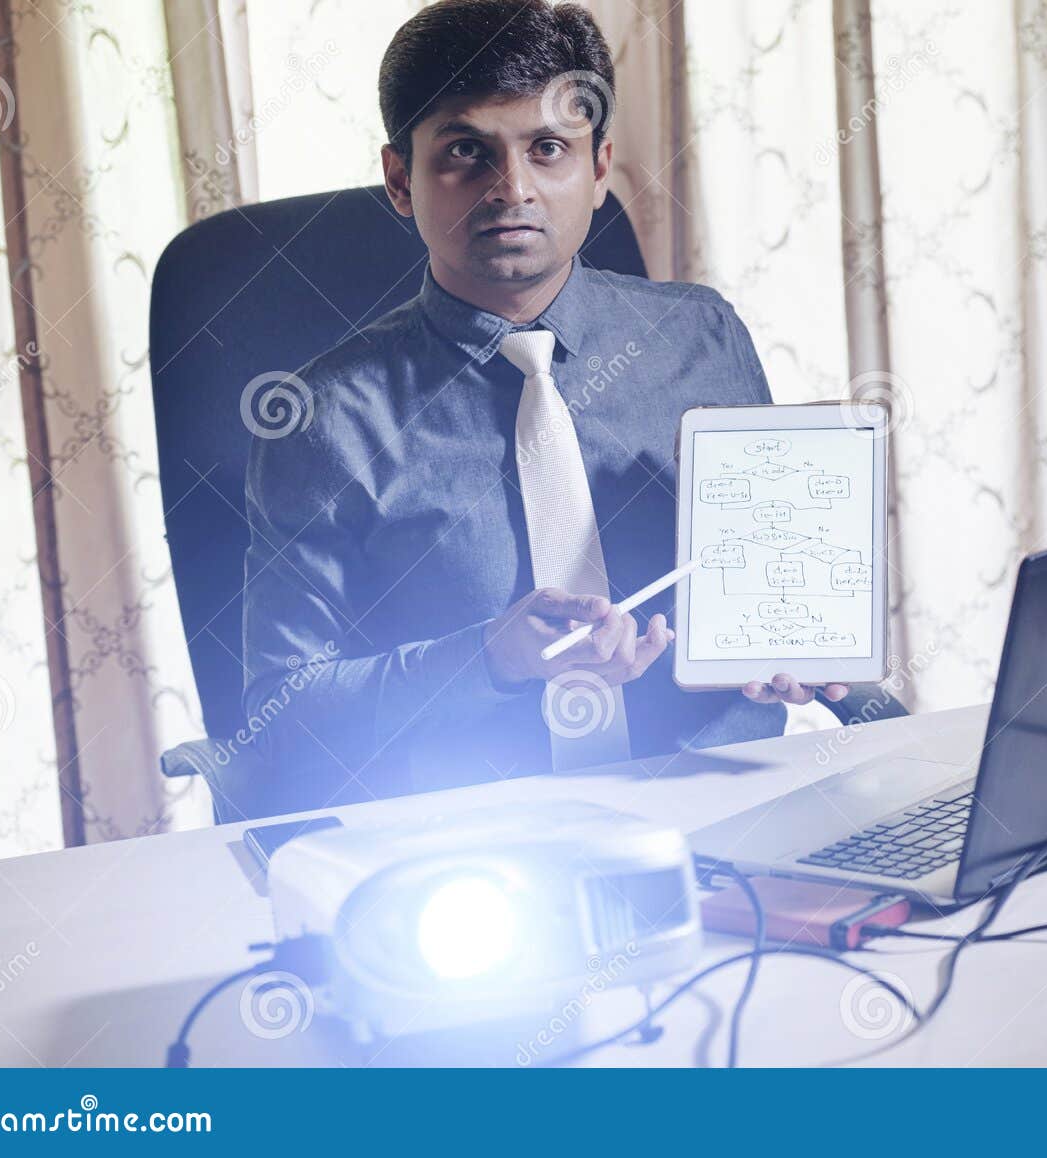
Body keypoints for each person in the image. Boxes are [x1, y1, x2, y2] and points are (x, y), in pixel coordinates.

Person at [241, 0, 848, 801]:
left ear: (599, 170)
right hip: (476, 856)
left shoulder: (702, 340)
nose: (512, 188)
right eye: (466, 152)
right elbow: (280, 722)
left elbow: (783, 604)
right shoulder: (325, 420)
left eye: (548, 148)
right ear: (399, 180)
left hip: (727, 803)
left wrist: (798, 656)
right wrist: (490, 658)